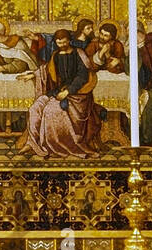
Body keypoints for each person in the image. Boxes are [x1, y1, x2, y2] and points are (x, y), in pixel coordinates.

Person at [19, 28, 101, 158]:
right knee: (35, 107)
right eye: (59, 43)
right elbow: (47, 70)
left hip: (77, 94)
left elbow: (82, 76)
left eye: (64, 42)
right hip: (58, 91)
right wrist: (34, 75)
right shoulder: (56, 55)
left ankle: (53, 145)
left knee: (50, 111)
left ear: (69, 40)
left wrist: (68, 91)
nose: (61, 45)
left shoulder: (79, 53)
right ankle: (33, 143)